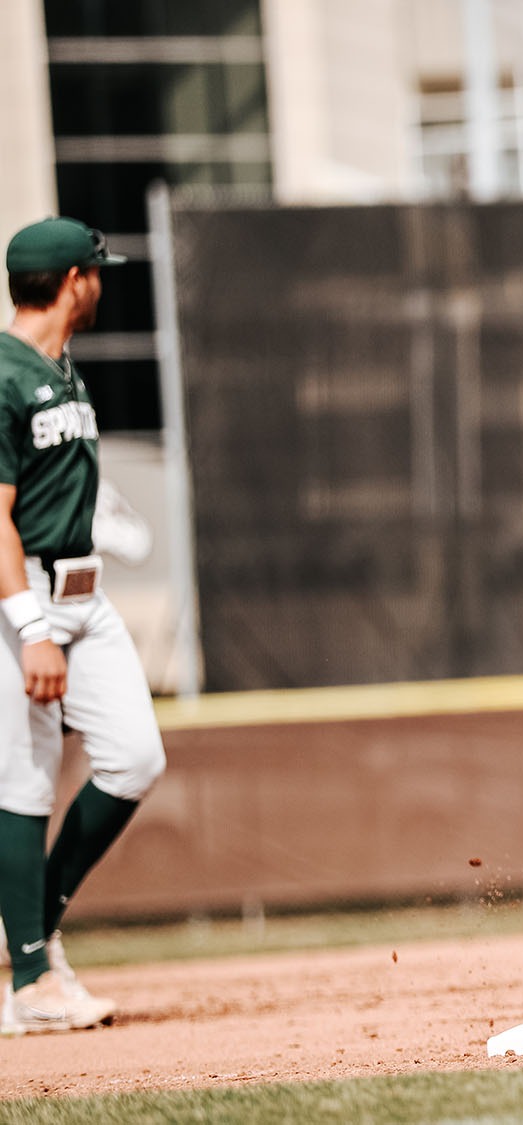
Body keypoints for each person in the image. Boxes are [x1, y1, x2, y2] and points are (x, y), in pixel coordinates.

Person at [0, 217, 166, 1033]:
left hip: (83, 594)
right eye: (96, 271)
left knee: (135, 754)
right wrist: (29, 627)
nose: (102, 282)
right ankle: (30, 978)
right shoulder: (1, 373)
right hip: (20, 597)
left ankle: (29, 930)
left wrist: (95, 514)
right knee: (23, 782)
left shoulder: (62, 367)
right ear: (73, 280)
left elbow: (48, 479)